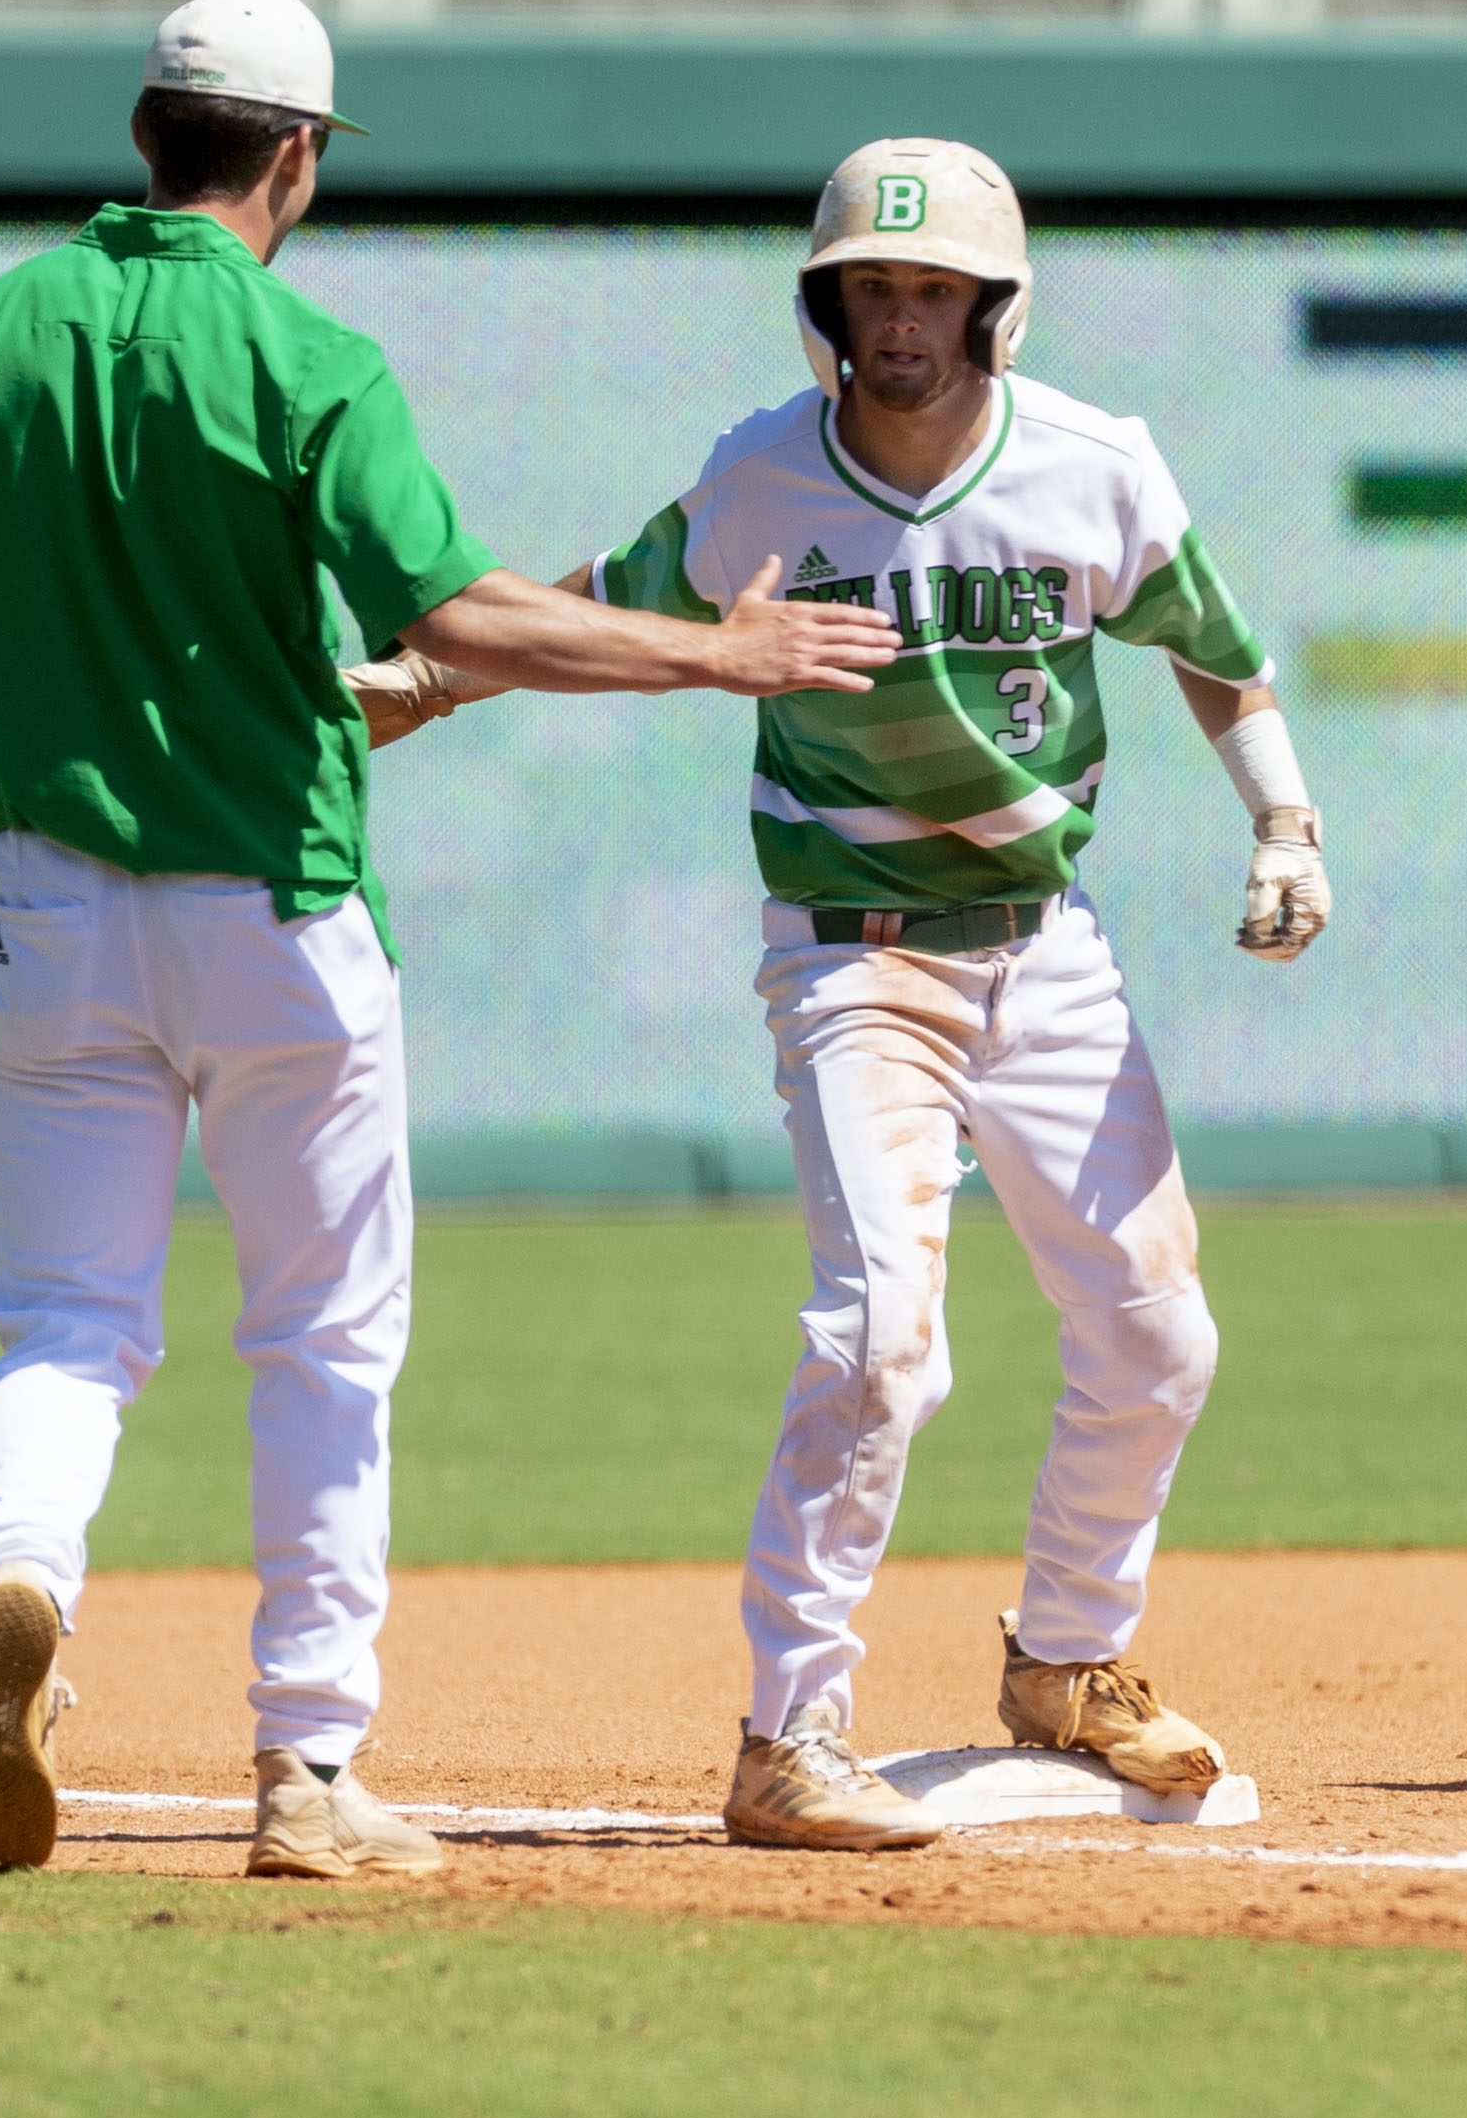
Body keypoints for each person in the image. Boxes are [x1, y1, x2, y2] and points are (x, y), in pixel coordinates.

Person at [0, 0, 899, 1878]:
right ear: (294, 154)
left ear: (149, 130)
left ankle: (23, 1586)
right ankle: (306, 1769)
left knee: (65, 1321)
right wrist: (716, 651)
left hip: (50, 915)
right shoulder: (313, 360)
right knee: (324, 1340)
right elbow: (460, 617)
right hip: (279, 917)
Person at [542, 138, 1329, 1849]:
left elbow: (1211, 642)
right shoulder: (763, 472)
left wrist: (1283, 813)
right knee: (881, 1336)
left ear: (996, 306)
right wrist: (428, 671)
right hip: (855, 957)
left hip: (1046, 943)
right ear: (828, 305)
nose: (901, 317)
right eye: (871, 287)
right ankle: (790, 1733)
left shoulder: (1095, 463)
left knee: (1156, 1330)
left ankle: (1068, 1662)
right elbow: (607, 605)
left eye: (933, 287)